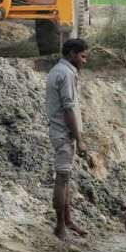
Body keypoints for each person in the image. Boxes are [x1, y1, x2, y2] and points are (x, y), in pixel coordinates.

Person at [45, 38, 89, 239]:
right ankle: (60, 226)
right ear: (72, 54)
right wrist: (79, 140)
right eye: (83, 56)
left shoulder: (58, 70)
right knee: (62, 179)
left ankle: (68, 221)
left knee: (66, 178)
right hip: (63, 133)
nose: (84, 61)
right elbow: (68, 108)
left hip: (60, 131)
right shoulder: (67, 74)